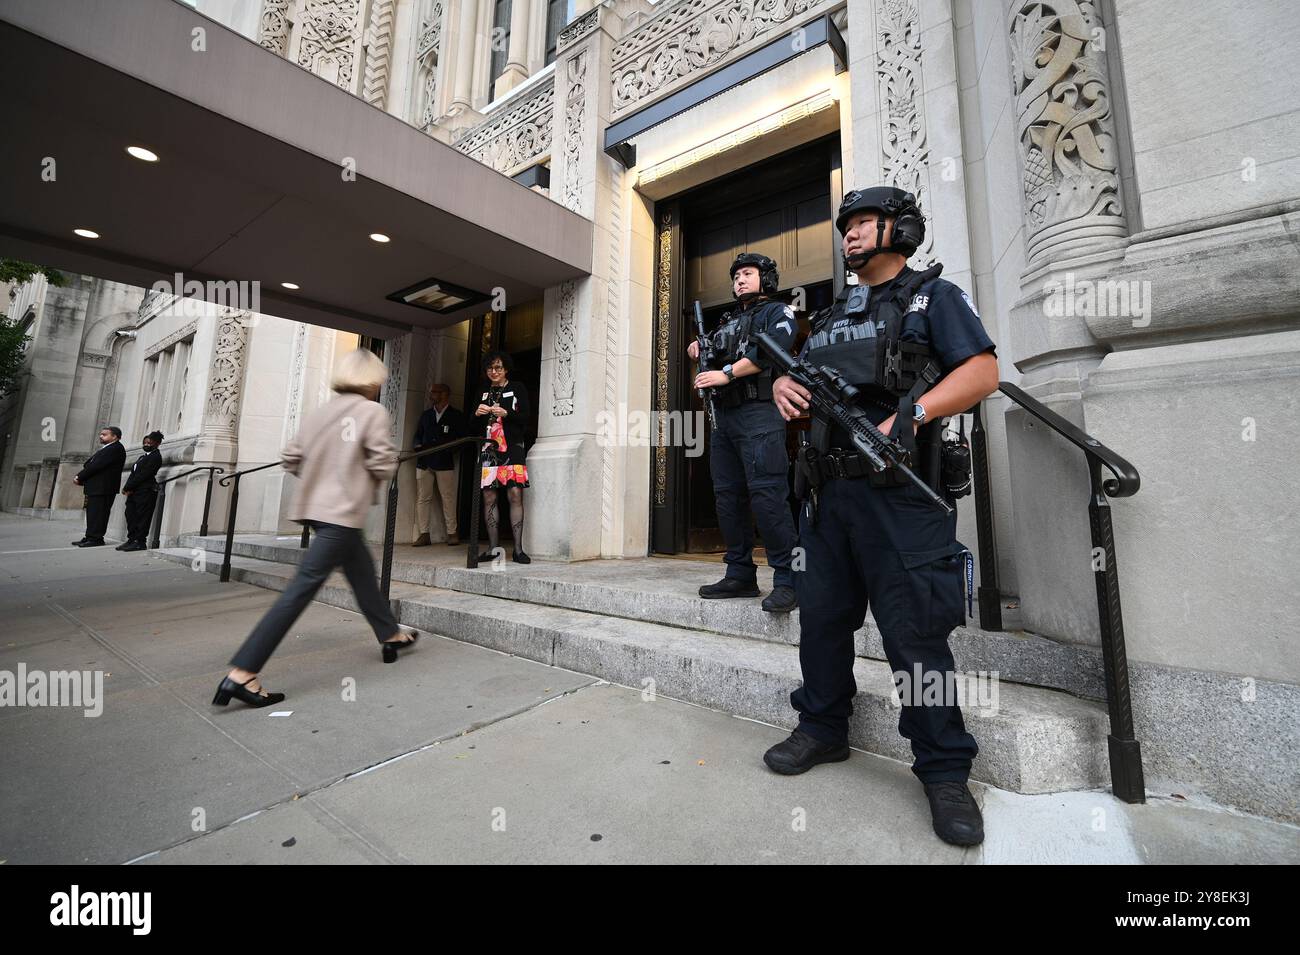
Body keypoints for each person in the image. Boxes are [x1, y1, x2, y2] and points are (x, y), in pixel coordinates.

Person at [762, 186, 1000, 847]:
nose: (850, 235)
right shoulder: (837, 312)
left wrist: (912, 416)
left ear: (899, 226)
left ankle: (945, 769)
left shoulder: (933, 298)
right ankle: (822, 727)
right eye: (846, 227)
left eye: (862, 222)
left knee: (915, 635)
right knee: (824, 623)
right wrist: (785, 385)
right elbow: (805, 383)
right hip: (829, 495)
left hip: (899, 493)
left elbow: (982, 372)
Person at [213, 349, 419, 709]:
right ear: (371, 381)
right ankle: (242, 672)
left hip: (321, 512)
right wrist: (358, 475)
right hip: (342, 512)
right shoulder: (371, 412)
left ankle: (390, 633)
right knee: (300, 589)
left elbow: (291, 458)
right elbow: (382, 462)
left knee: (362, 575)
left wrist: (321, 481)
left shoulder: (320, 412)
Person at [687, 252, 799, 613]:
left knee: (768, 496)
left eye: (747, 274)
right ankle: (740, 574)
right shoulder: (729, 321)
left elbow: (771, 350)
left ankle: (789, 578)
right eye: (735, 276)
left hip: (760, 413)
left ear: (766, 278)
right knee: (727, 497)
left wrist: (727, 374)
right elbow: (711, 353)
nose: (739, 280)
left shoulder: (777, 312)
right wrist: (699, 350)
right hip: (726, 417)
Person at [475, 351, 531, 563]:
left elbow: (526, 416)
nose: (494, 372)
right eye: (490, 368)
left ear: (506, 369)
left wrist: (508, 414)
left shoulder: (517, 388)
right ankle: (492, 548)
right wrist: (476, 415)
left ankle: (518, 549)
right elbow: (471, 427)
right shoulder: (482, 391)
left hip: (512, 448)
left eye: (498, 367)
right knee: (489, 497)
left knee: (515, 494)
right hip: (488, 449)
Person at [411, 383, 468, 546]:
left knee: (448, 498)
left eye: (436, 392)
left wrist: (450, 451)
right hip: (424, 461)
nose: (432, 395)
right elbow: (418, 435)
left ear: (445, 394)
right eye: (431, 392)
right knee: (423, 498)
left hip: (444, 462)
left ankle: (452, 532)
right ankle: (424, 533)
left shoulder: (455, 415)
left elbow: (463, 438)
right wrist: (417, 446)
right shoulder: (426, 415)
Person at [71, 426, 126, 548]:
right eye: (101, 434)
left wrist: (79, 476)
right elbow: (90, 464)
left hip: (104, 488)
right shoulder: (107, 448)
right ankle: (90, 536)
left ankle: (96, 538)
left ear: (114, 437)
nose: (101, 436)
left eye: (105, 434)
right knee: (92, 514)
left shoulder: (115, 448)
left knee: (99, 514)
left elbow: (96, 466)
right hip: (97, 487)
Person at [117, 430, 163, 552]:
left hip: (145, 491)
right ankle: (132, 539)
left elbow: (144, 475)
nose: (147, 445)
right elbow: (133, 474)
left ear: (157, 443)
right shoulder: (142, 457)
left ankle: (140, 541)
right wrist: (127, 487)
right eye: (145, 442)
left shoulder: (155, 457)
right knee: (130, 515)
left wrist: (128, 487)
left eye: (150, 443)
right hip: (134, 491)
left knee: (142, 517)